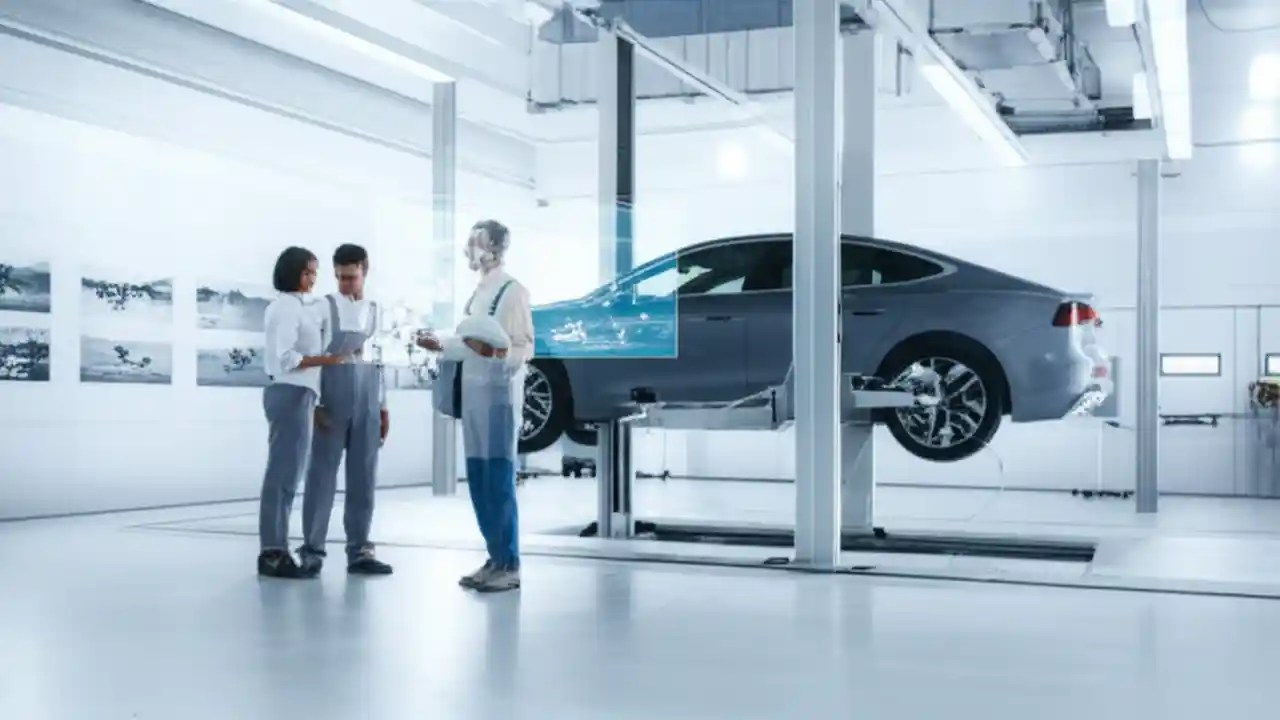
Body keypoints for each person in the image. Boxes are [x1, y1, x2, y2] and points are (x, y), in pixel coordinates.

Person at [418, 219, 533, 592]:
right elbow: (469, 344)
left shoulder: (512, 293)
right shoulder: (477, 295)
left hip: (498, 398)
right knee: (479, 482)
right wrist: (441, 344)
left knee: (498, 482)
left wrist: (498, 355)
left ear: (496, 248)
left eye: (477, 242)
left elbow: (522, 347)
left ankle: (509, 563)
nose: (470, 249)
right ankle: (494, 556)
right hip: (472, 397)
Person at [297, 244, 394, 576]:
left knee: (364, 478)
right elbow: (307, 356)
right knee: (321, 477)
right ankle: (312, 550)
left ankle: (360, 550)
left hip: (368, 398)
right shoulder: (323, 307)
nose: (345, 284)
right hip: (331, 401)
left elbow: (379, 361)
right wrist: (313, 403)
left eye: (351, 277)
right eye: (339, 277)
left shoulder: (376, 312)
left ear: (365, 270)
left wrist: (383, 406)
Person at [258, 246, 348, 579]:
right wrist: (329, 360)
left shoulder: (296, 306)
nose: (313, 279)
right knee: (282, 476)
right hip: (289, 392)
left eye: (315, 272)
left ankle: (275, 548)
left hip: (300, 394)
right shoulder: (285, 307)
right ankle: (272, 553)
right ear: (293, 272)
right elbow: (285, 358)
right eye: (309, 272)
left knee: (288, 474)